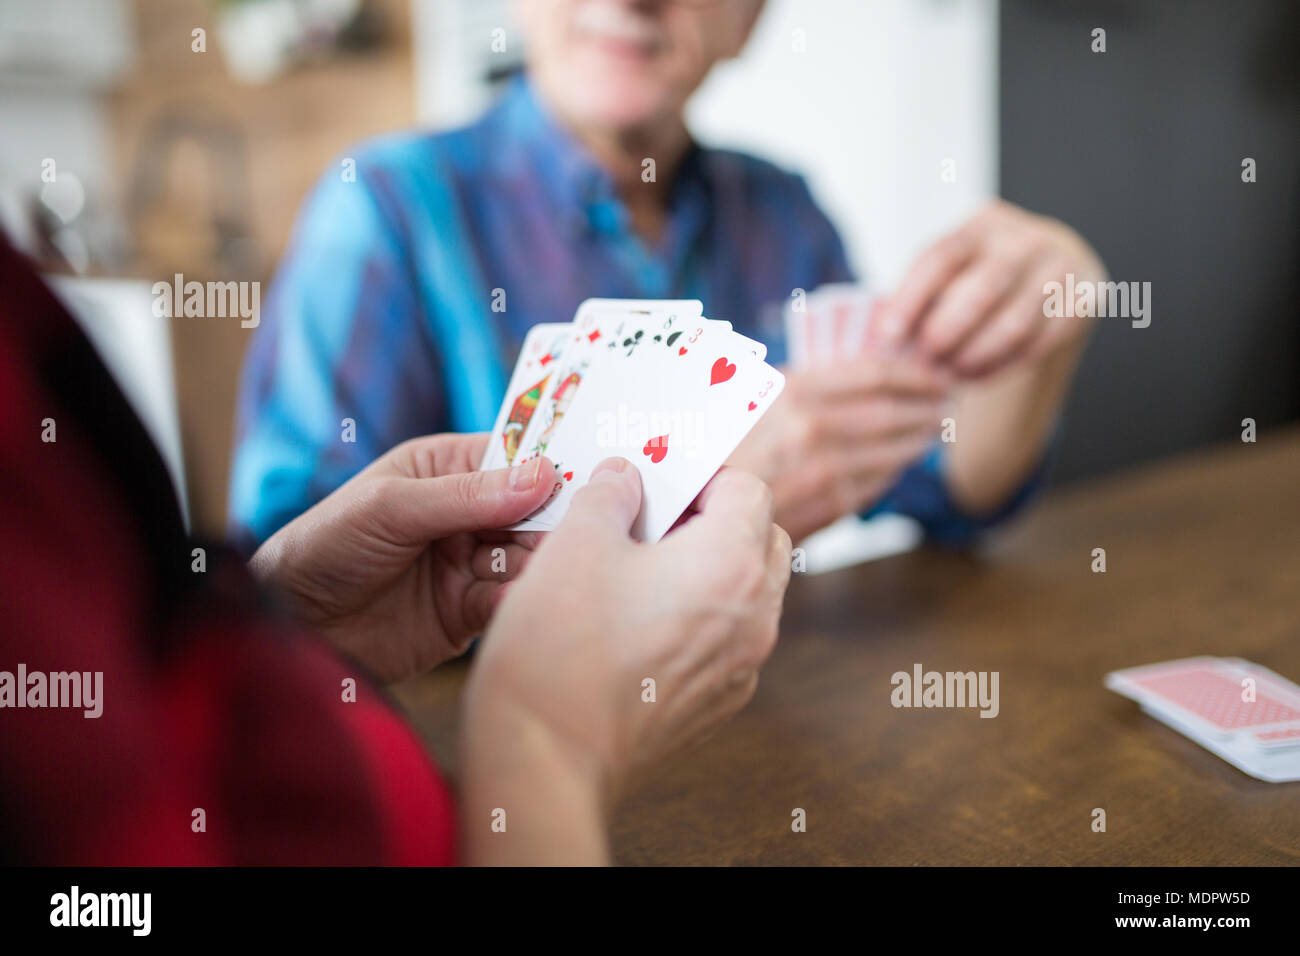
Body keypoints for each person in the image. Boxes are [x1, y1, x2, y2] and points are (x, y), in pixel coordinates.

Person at [0, 239, 791, 865]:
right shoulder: (383, 205)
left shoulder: (776, 205)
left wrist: (293, 627)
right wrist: (548, 742)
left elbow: (145, 682)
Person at [229, 0, 1104, 551]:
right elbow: (291, 605)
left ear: (752, 18)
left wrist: (1040, 336)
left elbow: (948, 486)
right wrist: (692, 502)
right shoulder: (383, 209)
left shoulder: (784, 210)